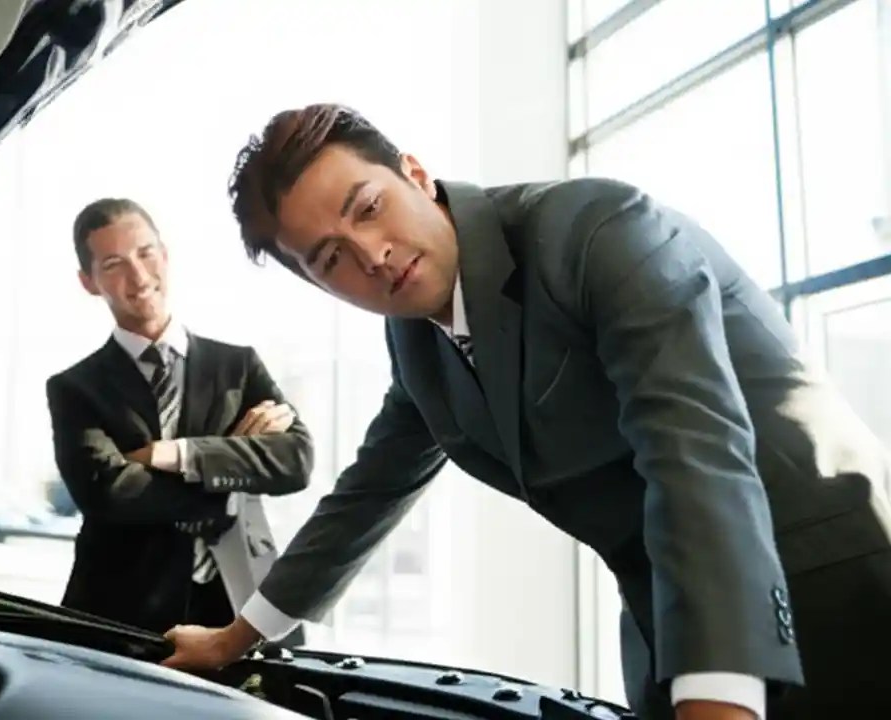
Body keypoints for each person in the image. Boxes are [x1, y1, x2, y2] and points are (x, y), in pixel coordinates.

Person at [159, 104, 891, 720]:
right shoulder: (416, 340)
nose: (373, 255)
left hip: (831, 590)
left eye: (370, 207)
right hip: (663, 616)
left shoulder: (599, 229)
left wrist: (719, 689)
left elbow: (695, 455)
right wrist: (237, 637)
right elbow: (368, 493)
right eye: (330, 258)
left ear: (415, 173)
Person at [47, 197, 314, 637]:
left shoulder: (238, 367)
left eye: (146, 253)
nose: (138, 276)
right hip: (120, 613)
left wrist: (175, 454)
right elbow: (109, 492)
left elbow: (295, 462)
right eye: (113, 263)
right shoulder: (75, 388)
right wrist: (231, 479)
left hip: (238, 606)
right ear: (89, 282)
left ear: (165, 255)